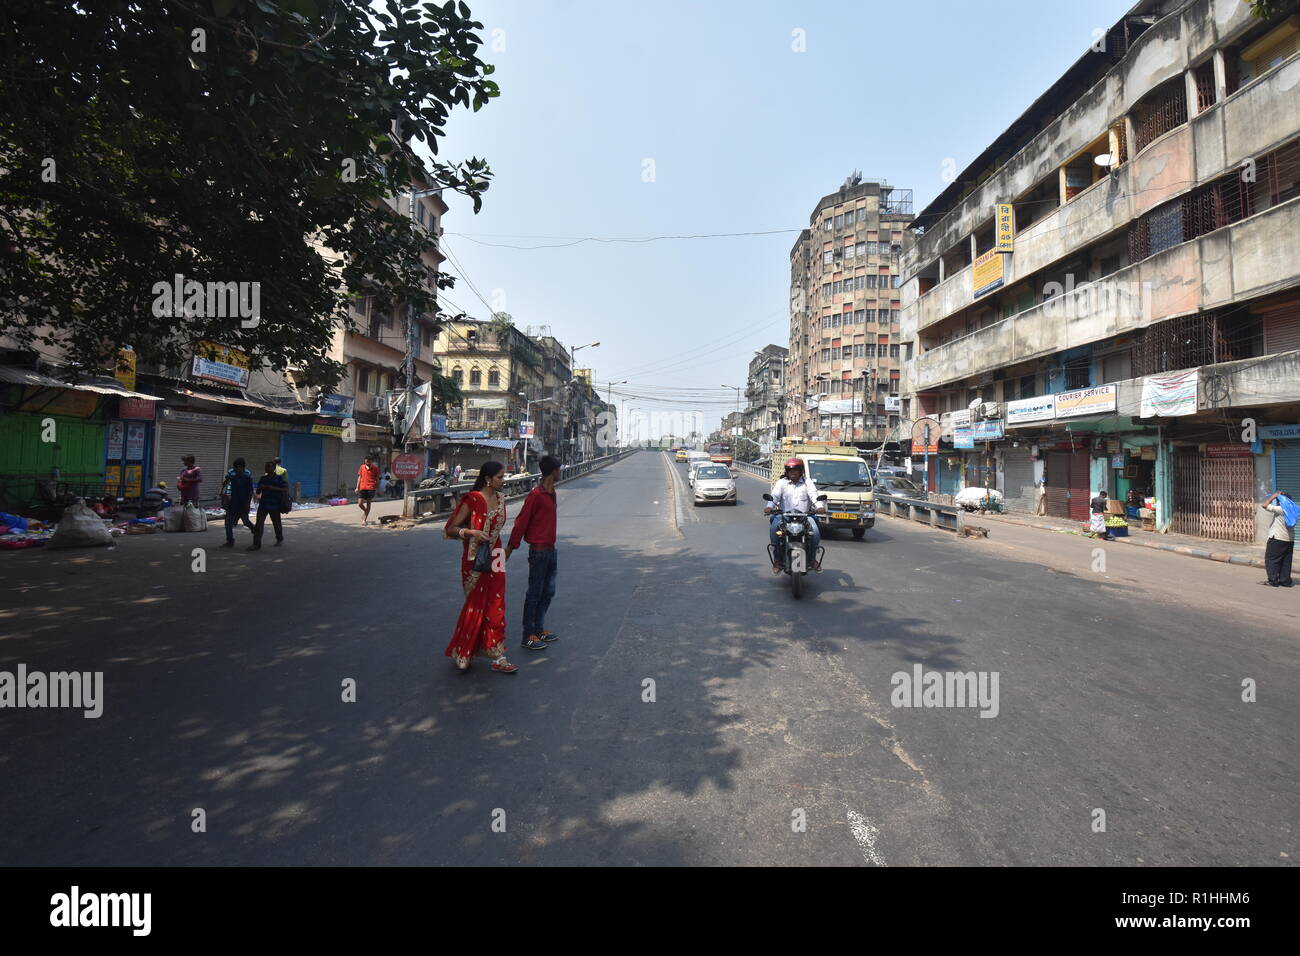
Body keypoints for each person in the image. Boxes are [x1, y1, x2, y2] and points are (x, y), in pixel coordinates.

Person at [443, 461, 515, 673]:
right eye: (500, 477)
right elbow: (451, 528)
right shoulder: (473, 499)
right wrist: (472, 533)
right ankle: (464, 650)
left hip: (497, 555)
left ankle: (497, 655)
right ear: (488, 479)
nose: (504, 480)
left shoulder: (501, 499)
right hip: (475, 559)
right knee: (475, 606)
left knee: (498, 604)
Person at [506, 455, 561, 651]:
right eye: (559, 469)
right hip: (538, 553)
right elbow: (521, 522)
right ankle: (527, 635)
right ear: (553, 471)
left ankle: (539, 628)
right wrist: (510, 548)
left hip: (551, 552)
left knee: (549, 592)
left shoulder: (552, 493)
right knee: (534, 594)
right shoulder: (536, 495)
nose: (560, 472)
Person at [765, 458, 825, 573]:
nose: (793, 473)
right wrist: (769, 507)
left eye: (795, 470)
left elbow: (813, 495)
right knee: (774, 530)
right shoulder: (782, 482)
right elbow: (775, 496)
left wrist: (819, 507)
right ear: (787, 472)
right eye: (790, 470)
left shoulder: (807, 482)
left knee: (816, 532)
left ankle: (812, 559)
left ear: (801, 471)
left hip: (805, 517)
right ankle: (777, 559)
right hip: (784, 516)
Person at [247, 460, 288, 551]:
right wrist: (260, 488)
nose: (267, 468)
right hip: (263, 504)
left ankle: (279, 538)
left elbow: (284, 489)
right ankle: (256, 544)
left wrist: (272, 488)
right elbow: (258, 492)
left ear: (273, 468)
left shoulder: (279, 478)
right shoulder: (263, 479)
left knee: (276, 523)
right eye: (266, 466)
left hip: (275, 505)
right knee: (259, 524)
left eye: (269, 466)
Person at [1260, 491, 1296, 587]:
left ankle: (1273, 581)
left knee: (1271, 560)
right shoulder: (1293, 510)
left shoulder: (1280, 509)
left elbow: (1264, 505)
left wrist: (1273, 496)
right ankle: (1285, 581)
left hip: (1277, 538)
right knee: (1286, 561)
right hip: (1289, 539)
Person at [220, 457, 255, 547]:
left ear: (243, 467)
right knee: (228, 522)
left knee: (245, 521)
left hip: (243, 501)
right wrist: (222, 490)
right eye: (235, 468)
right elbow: (226, 480)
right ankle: (230, 540)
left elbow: (250, 491)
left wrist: (247, 503)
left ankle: (256, 532)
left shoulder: (247, 476)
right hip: (233, 501)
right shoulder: (231, 473)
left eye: (238, 468)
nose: (236, 470)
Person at [356, 455, 380, 524]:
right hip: (362, 487)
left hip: (371, 488)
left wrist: (378, 489)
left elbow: (377, 479)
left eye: (368, 462)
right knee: (360, 503)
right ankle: (366, 511)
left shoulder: (375, 468)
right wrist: (357, 487)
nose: (367, 463)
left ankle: (364, 520)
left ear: (371, 461)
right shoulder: (362, 467)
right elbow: (359, 477)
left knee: (368, 504)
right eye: (366, 462)